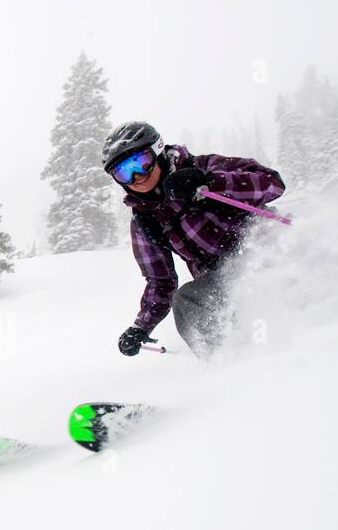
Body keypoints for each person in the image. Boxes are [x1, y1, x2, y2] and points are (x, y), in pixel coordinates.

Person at [102, 121, 285, 358]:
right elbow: (161, 282)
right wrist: (141, 327)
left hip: (269, 246)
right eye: (124, 172)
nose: (136, 177)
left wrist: (210, 182)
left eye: (141, 163)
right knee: (187, 301)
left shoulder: (201, 167)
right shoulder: (145, 220)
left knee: (295, 271)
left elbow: (272, 183)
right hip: (225, 279)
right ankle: (232, 364)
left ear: (157, 152)